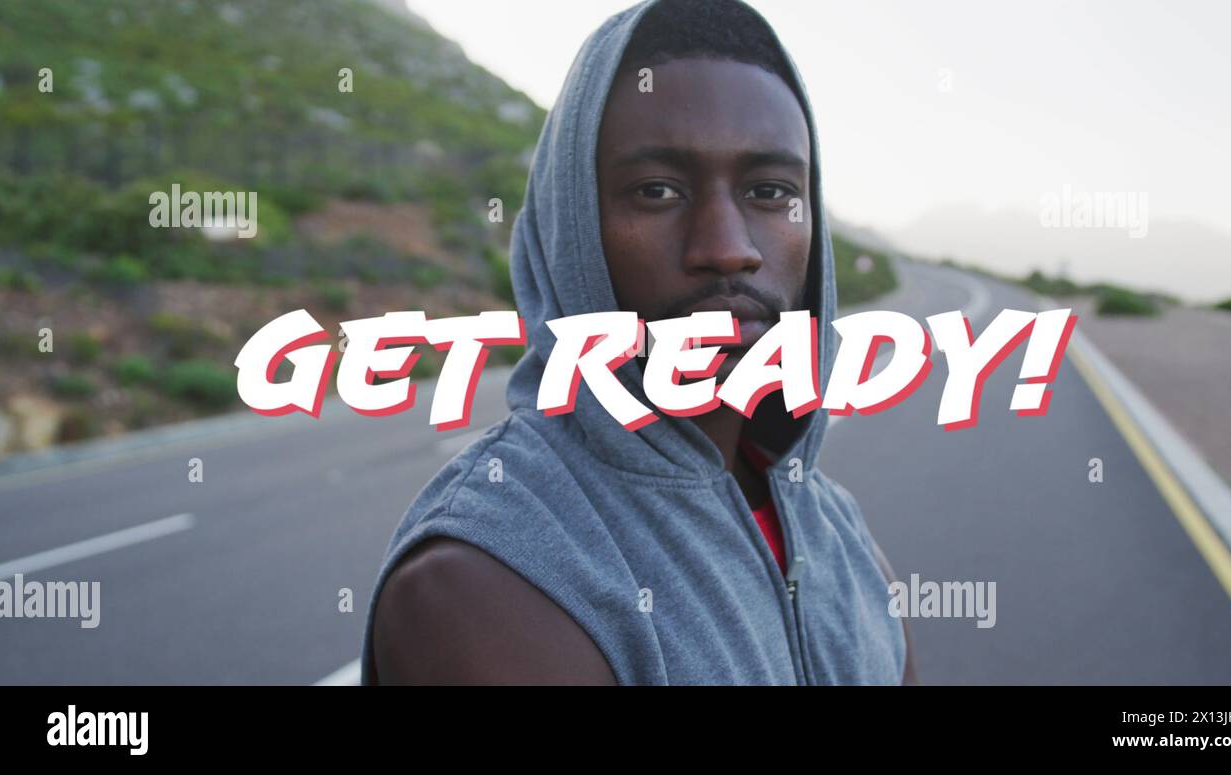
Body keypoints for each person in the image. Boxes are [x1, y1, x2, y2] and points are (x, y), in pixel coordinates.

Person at [362, 0, 916, 685]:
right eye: (657, 191)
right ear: (572, 229)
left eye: (770, 191)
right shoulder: (484, 582)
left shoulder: (841, 535)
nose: (727, 249)